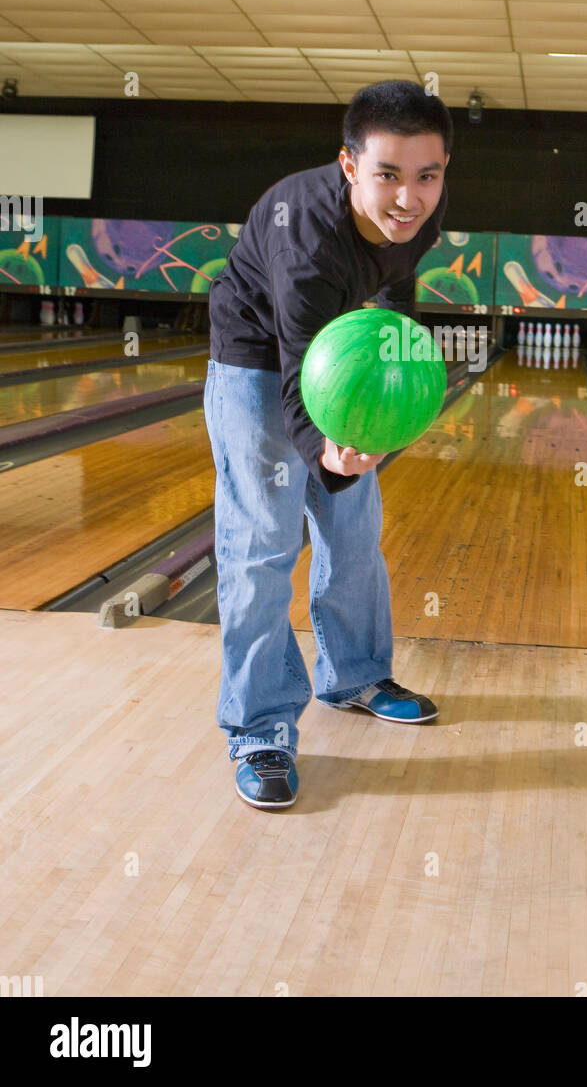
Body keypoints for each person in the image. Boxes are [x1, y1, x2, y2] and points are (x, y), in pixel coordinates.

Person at [204, 80, 452, 810]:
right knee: (262, 546)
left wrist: (389, 391)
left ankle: (356, 675)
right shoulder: (305, 234)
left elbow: (395, 301)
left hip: (342, 358)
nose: (409, 198)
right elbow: (296, 358)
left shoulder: (423, 214)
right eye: (388, 175)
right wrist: (327, 447)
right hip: (258, 362)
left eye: (427, 176)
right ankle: (259, 729)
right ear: (349, 166)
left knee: (353, 532)